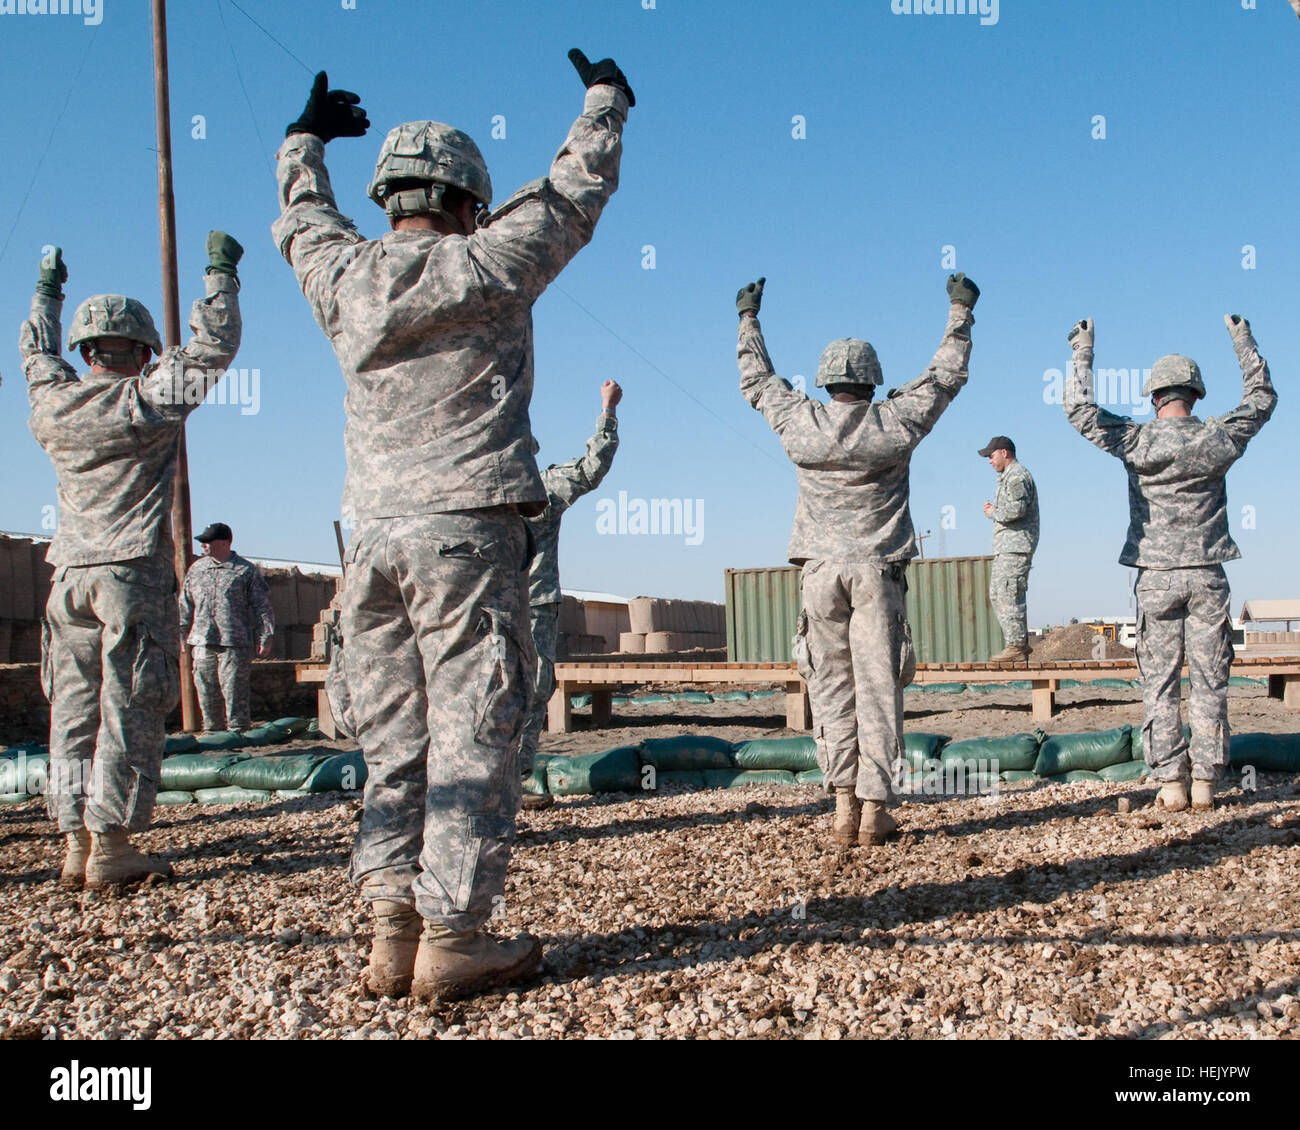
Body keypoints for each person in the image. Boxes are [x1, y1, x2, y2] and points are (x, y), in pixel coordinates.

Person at [273, 51, 632, 1001]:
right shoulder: (487, 262)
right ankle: (455, 938)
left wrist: (302, 141)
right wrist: (605, 102)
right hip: (465, 532)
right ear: (471, 200)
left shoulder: (344, 280)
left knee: (392, 739)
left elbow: (304, 221)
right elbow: (571, 195)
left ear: (389, 197)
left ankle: (390, 932)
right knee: (474, 729)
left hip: (372, 540)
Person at [22, 235, 243, 888]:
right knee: (128, 709)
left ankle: (72, 844)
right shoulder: (145, 402)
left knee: (71, 713)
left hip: (67, 581)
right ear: (146, 353)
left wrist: (46, 290)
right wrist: (221, 277)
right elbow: (214, 348)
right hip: (130, 576)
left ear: (85, 353)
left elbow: (36, 353)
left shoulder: (51, 407)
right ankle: (112, 847)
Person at [736, 273, 979, 848]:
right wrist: (959, 311)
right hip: (877, 572)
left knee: (830, 692)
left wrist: (748, 319)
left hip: (820, 574)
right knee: (878, 690)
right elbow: (947, 377)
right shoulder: (894, 424)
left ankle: (842, 806)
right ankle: (875, 810)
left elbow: (756, 380)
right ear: (873, 381)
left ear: (825, 381)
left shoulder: (801, 424)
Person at [1064, 315, 1275, 812]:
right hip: (1207, 573)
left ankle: (1171, 785)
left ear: (1152, 396)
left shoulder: (1136, 441)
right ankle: (1205, 783)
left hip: (1155, 577)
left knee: (1159, 684)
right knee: (1210, 681)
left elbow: (1078, 411)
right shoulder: (1217, 437)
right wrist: (1242, 340)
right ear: (1196, 395)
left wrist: (1083, 347)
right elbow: (1262, 398)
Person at [519, 380, 622, 811]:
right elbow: (591, 469)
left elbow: (590, 469)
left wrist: (607, 412)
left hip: (526, 606)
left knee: (533, 688)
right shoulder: (482, 497)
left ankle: (517, 777)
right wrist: (608, 409)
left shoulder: (542, 489)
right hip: (499, 607)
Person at [178, 522, 275, 733]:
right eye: (202, 543)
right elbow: (185, 603)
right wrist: (181, 632)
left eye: (207, 542)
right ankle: (213, 734)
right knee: (205, 689)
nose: (203, 546)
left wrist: (265, 635)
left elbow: (262, 607)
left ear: (223, 543)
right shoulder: (197, 569)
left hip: (233, 642)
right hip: (202, 641)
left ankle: (238, 733)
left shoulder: (245, 571)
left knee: (234, 691)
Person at [979, 435, 1039, 663]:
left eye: (991, 455)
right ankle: (1019, 644)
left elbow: (1017, 510)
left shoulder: (1017, 476)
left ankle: (1015, 646)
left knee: (1007, 593)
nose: (989, 461)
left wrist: (993, 512)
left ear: (1004, 453)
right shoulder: (1008, 477)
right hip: (1009, 546)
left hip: (1016, 546)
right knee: (999, 593)